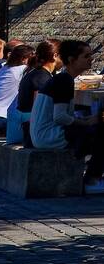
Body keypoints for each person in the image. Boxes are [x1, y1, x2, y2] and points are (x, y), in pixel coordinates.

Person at [30, 38, 104, 194]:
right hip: (49, 136)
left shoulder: (63, 78)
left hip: (44, 134)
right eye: (86, 56)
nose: (91, 59)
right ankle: (92, 179)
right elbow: (60, 117)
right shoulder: (64, 80)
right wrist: (86, 122)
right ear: (71, 59)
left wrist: (86, 120)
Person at [7, 39, 60, 144]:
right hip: (25, 132)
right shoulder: (42, 78)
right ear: (55, 56)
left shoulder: (34, 73)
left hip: (16, 128)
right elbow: (38, 109)